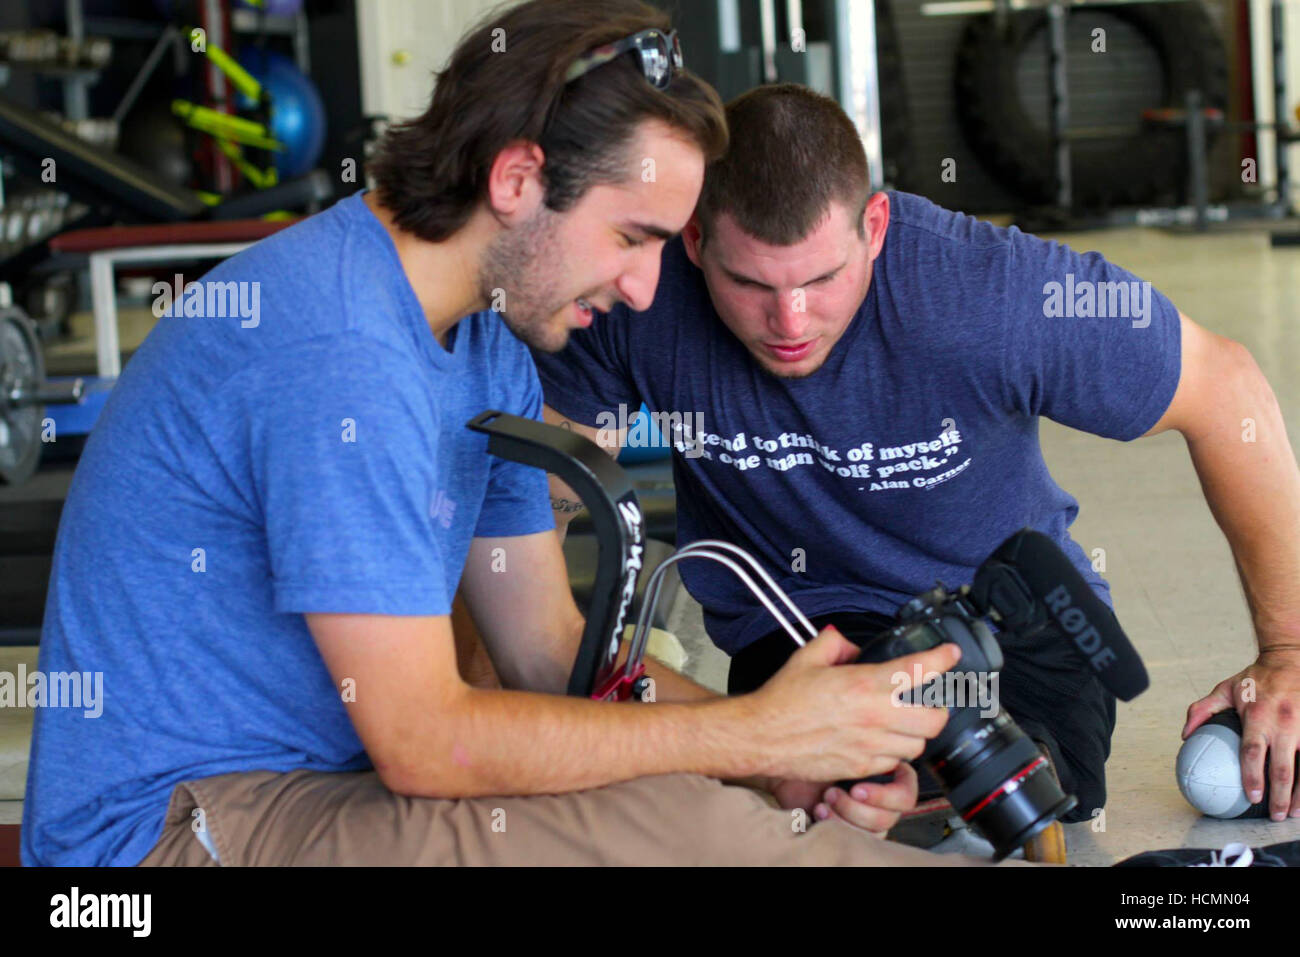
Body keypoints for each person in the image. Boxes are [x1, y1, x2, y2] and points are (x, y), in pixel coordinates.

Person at [22, 0, 995, 867]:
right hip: (171, 833)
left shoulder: (483, 336)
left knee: (710, 810)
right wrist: (751, 740)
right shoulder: (340, 348)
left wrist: (788, 755)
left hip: (316, 781)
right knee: (706, 841)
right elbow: (427, 744)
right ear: (519, 179)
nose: (645, 291)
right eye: (633, 239)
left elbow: (547, 649)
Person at [534, 82, 1300, 827]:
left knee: (995, 808)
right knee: (835, 805)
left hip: (1010, 617)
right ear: (697, 241)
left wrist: (1288, 650)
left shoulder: (990, 292)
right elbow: (537, 493)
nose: (790, 319)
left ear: (875, 225)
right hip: (803, 629)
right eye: (751, 283)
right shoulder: (640, 294)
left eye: (823, 278)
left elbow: (1224, 388)